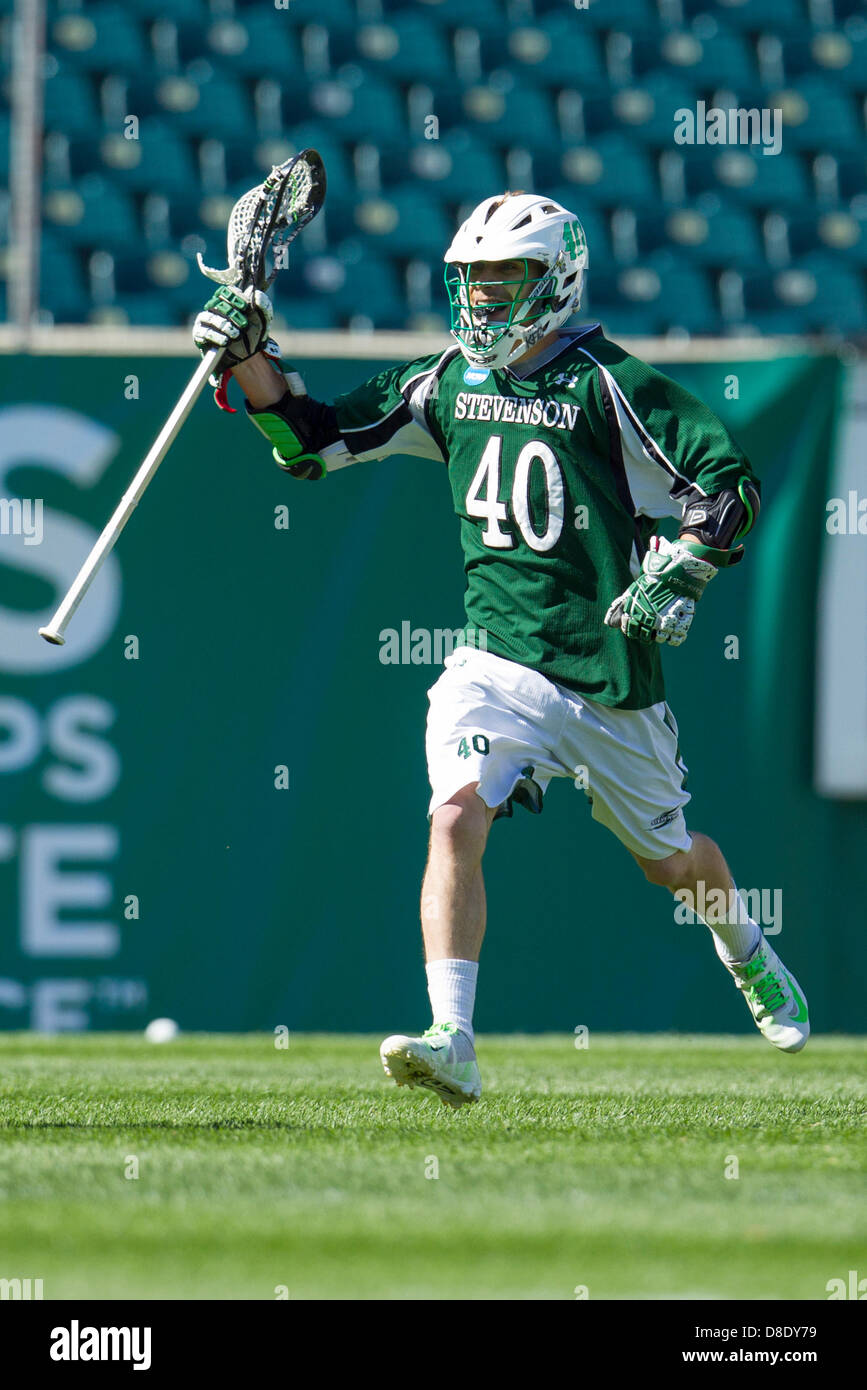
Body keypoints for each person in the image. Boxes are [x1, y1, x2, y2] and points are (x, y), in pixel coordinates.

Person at [193, 190, 809, 1109]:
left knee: (674, 864)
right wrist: (247, 361)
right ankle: (454, 1039)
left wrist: (681, 569)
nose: (483, 301)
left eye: (505, 279)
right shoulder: (443, 380)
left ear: (556, 279)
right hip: (495, 666)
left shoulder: (610, 382)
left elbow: (725, 486)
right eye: (472, 282)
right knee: (451, 819)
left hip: (607, 676)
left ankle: (747, 952)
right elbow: (311, 445)